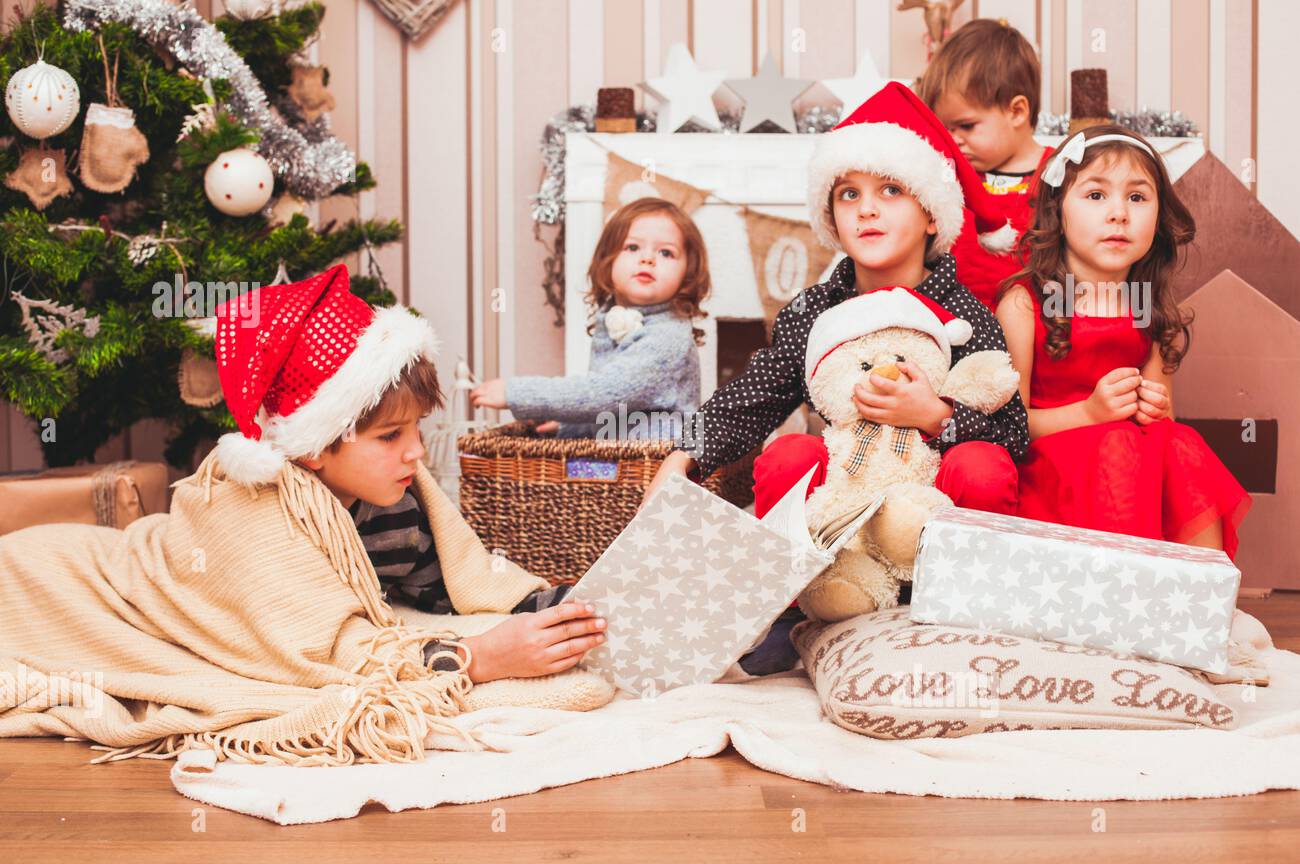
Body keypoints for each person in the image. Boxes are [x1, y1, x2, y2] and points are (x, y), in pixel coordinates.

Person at [0, 264, 609, 765]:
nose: (417, 452)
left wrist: (568, 612)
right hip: (60, 581)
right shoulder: (250, 508)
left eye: (417, 428)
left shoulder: (395, 502)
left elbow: (454, 590)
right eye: (390, 435)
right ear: (315, 443)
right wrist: (482, 658)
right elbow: (323, 655)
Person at [642, 83, 1031, 673]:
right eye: (849, 194)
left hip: (926, 511)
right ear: (831, 215)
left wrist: (934, 416)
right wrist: (684, 457)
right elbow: (755, 394)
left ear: (931, 214)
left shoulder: (967, 314)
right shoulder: (816, 311)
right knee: (789, 454)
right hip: (846, 504)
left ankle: (960, 611)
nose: (867, 209)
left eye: (891, 190)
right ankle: (796, 604)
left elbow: (1015, 435)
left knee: (983, 465)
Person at [996, 126, 1252, 557]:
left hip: (1132, 471)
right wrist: (1089, 413)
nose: (1119, 213)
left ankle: (1201, 593)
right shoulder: (1026, 304)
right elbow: (1008, 426)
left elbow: (1160, 419)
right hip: (1052, 479)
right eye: (1096, 196)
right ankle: (1118, 596)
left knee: (1183, 445)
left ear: (1159, 216)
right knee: (1116, 445)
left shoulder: (1146, 307)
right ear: (1058, 211)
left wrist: (1156, 408)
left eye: (1137, 197)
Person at [469, 197, 708, 441]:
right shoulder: (614, 318)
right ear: (608, 261)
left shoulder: (668, 337)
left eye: (666, 252)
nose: (648, 258)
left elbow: (609, 392)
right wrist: (571, 427)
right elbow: (621, 412)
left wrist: (516, 393)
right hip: (624, 461)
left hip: (660, 465)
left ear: (687, 275)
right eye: (633, 247)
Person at [917, 17, 1055, 310]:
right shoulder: (947, 176)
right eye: (945, 129)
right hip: (957, 330)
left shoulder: (1060, 175)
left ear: (1016, 112)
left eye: (966, 126)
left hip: (1036, 332)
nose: (953, 141)